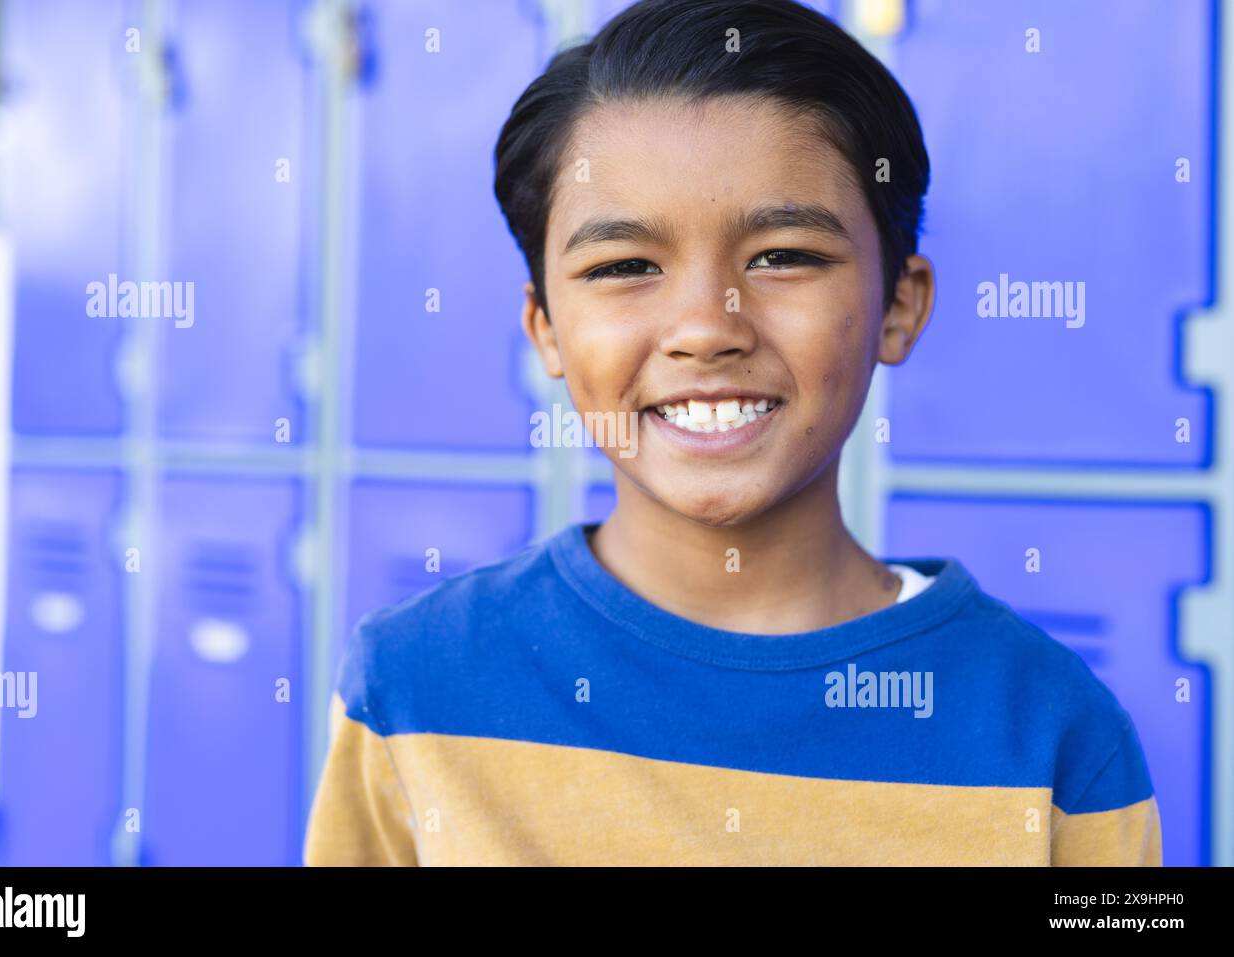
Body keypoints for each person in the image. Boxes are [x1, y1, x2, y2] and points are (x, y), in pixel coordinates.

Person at [304, 0, 1160, 866]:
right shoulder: (413, 682)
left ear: (899, 305)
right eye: (624, 267)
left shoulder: (1053, 730)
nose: (708, 327)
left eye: (783, 255)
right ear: (548, 331)